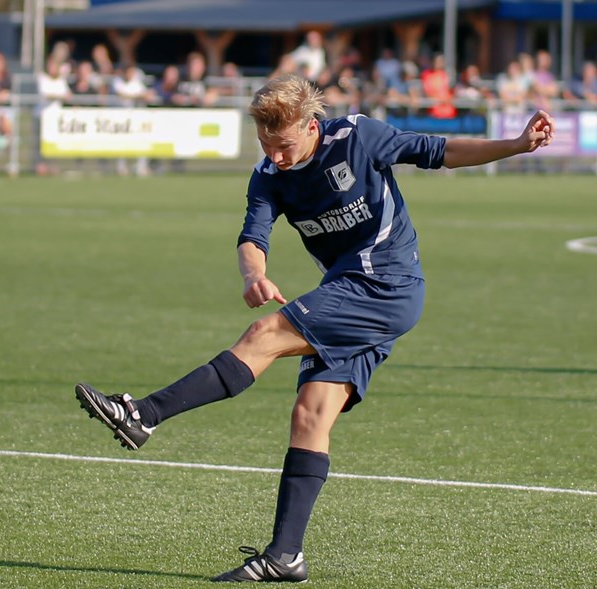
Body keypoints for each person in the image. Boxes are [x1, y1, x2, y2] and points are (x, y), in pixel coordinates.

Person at [73, 73, 553, 583]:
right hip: (353, 290)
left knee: (263, 337)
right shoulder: (268, 175)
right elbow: (252, 234)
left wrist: (517, 145)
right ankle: (285, 556)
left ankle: (143, 413)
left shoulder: (358, 138)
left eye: (282, 145)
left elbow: (438, 150)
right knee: (310, 416)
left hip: (384, 284)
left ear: (310, 125)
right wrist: (253, 273)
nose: (274, 156)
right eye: (265, 145)